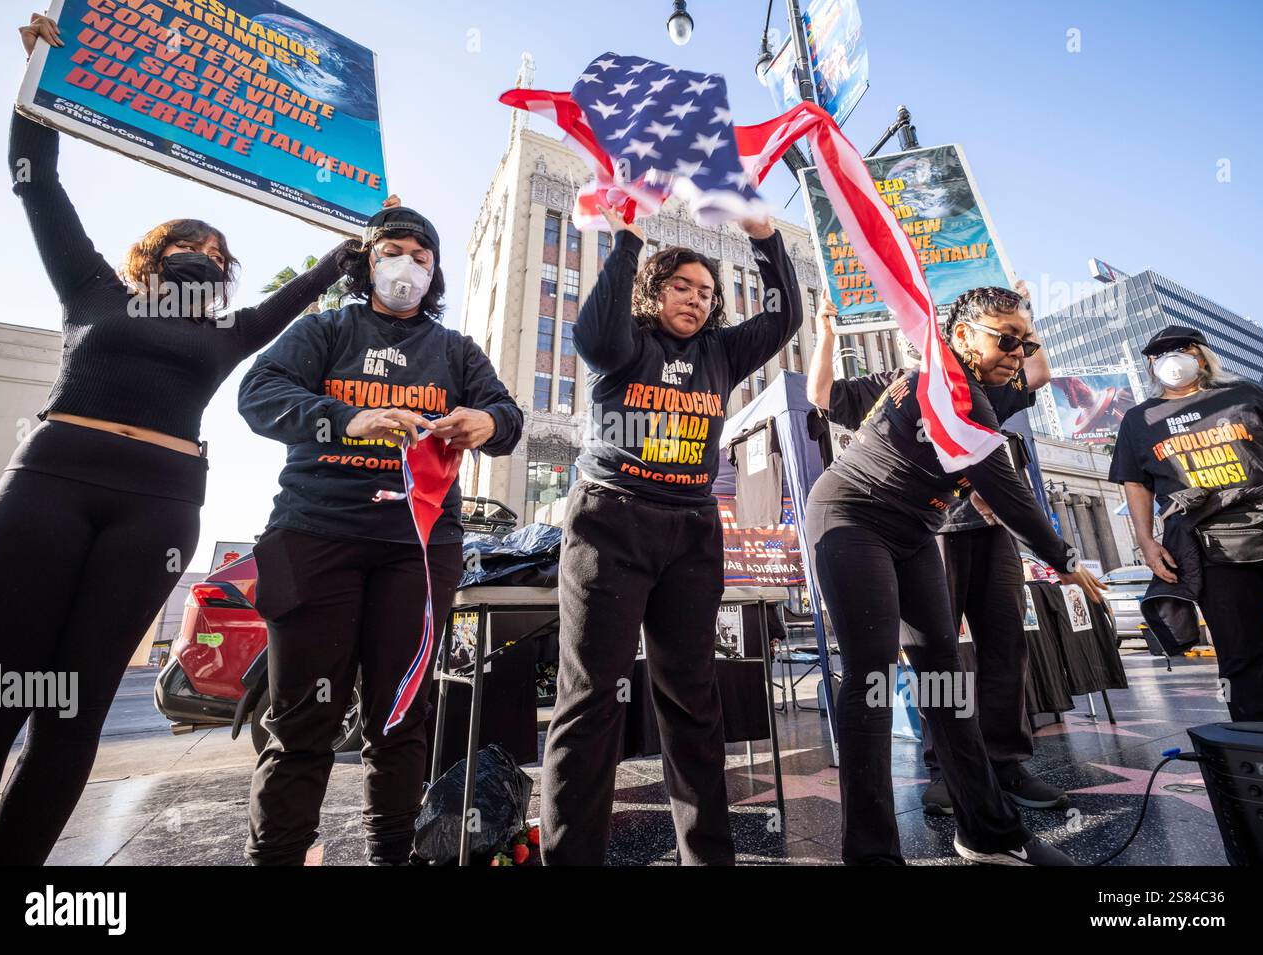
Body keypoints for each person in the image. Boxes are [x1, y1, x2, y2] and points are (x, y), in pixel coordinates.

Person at [0, 13, 356, 866]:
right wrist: (38, 86)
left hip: (157, 511)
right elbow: (36, 180)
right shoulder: (93, 291)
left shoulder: (229, 333)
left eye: (215, 250)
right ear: (152, 258)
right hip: (49, 486)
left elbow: (316, 281)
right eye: (184, 241)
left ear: (225, 277)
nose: (201, 252)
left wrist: (363, 233)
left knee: (72, 711)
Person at [238, 204, 523, 865]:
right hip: (315, 536)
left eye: (422, 256)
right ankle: (277, 853)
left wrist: (485, 422)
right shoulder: (327, 331)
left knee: (400, 717)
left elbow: (507, 416)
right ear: (367, 263)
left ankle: (390, 853)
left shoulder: (455, 350)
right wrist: (348, 417)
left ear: (436, 271)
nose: (407, 265)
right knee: (303, 721)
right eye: (392, 250)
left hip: (417, 552)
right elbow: (258, 393)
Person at [804, 288, 1106, 865]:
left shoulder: (975, 390)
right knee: (871, 676)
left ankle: (988, 832)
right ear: (963, 335)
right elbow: (1008, 494)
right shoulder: (946, 389)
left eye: (1027, 340)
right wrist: (1065, 560)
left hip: (916, 531)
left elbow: (1008, 475)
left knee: (943, 676)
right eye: (1007, 337)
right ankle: (871, 854)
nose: (1019, 351)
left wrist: (1059, 557)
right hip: (851, 518)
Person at [540, 205, 802, 865]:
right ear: (656, 291)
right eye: (681, 285)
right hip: (612, 522)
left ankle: (707, 856)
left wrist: (764, 237)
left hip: (691, 532)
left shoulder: (721, 350)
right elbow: (591, 336)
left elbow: (784, 318)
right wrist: (628, 234)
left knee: (693, 700)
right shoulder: (627, 341)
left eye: (707, 292)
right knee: (590, 697)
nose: (695, 298)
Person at [1110, 324, 1263, 722]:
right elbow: (1135, 483)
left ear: (1201, 355)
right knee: (1239, 653)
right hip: (1206, 547)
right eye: (1158, 353)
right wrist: (1147, 543)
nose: (1170, 358)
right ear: (1150, 365)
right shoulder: (1139, 419)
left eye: (1181, 348)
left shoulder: (1245, 394)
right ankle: (1258, 741)